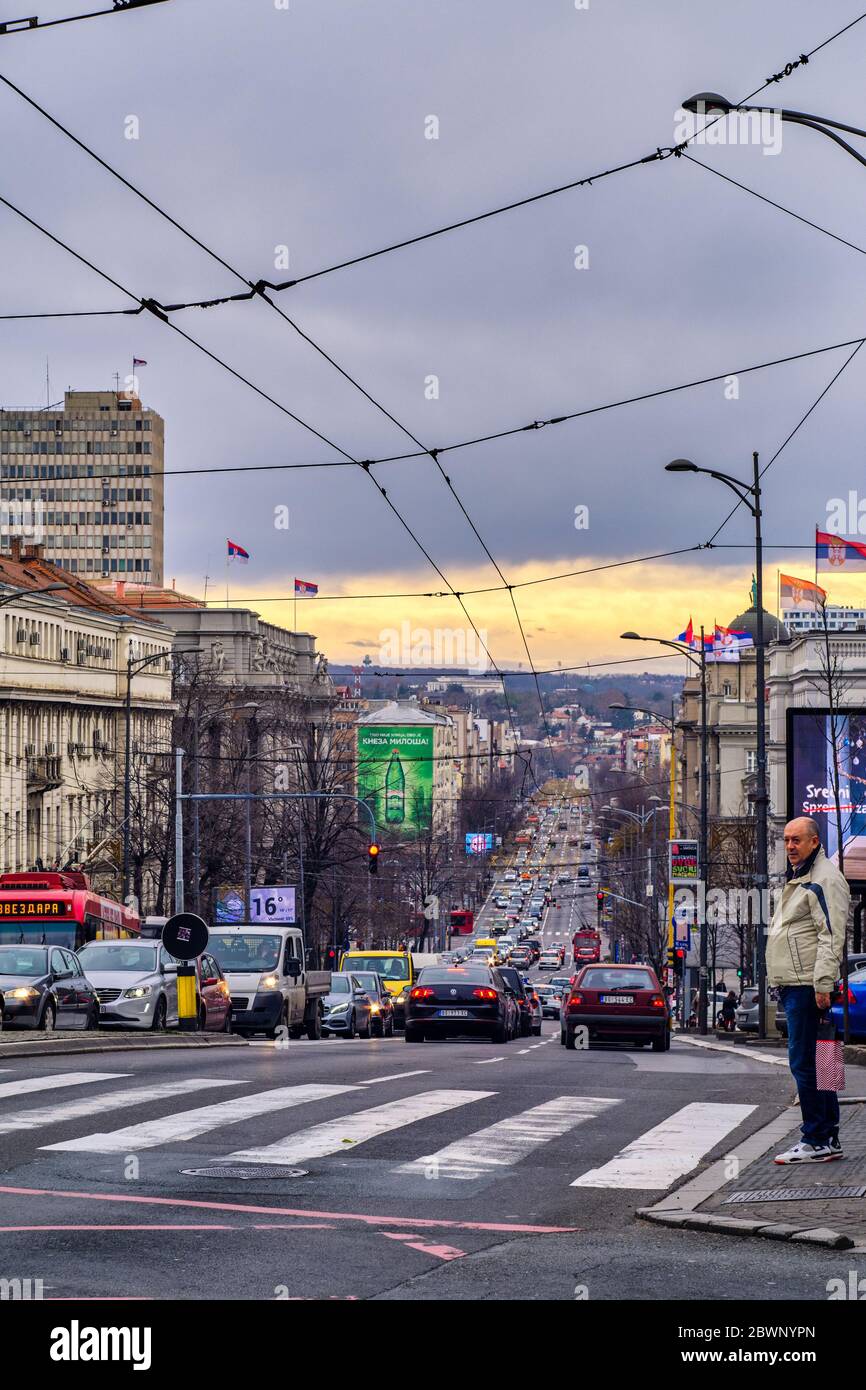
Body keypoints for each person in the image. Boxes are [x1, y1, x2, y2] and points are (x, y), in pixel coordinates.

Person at [767, 816, 849, 1164]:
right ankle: (827, 1136)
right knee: (822, 1061)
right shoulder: (803, 877)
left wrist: (823, 983)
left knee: (804, 1063)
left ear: (815, 841)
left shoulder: (824, 879)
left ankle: (815, 1138)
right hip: (798, 983)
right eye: (787, 840)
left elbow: (832, 934)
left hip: (807, 985)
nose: (790, 846)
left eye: (797, 840)